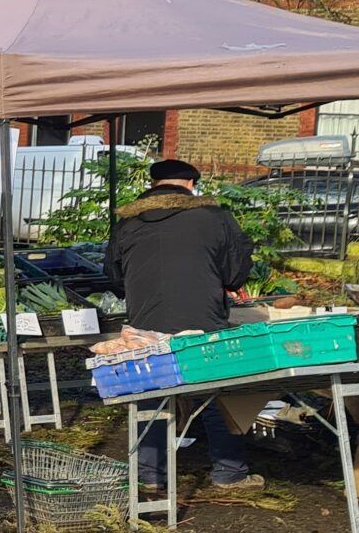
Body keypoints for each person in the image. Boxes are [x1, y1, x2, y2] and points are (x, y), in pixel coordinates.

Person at [104, 158, 260, 493]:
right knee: (215, 393)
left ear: (155, 185)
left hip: (145, 322)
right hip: (202, 319)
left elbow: (114, 277)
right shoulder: (214, 217)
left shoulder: (128, 222)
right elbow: (235, 273)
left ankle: (150, 475)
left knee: (152, 394)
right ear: (190, 184)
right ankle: (229, 473)